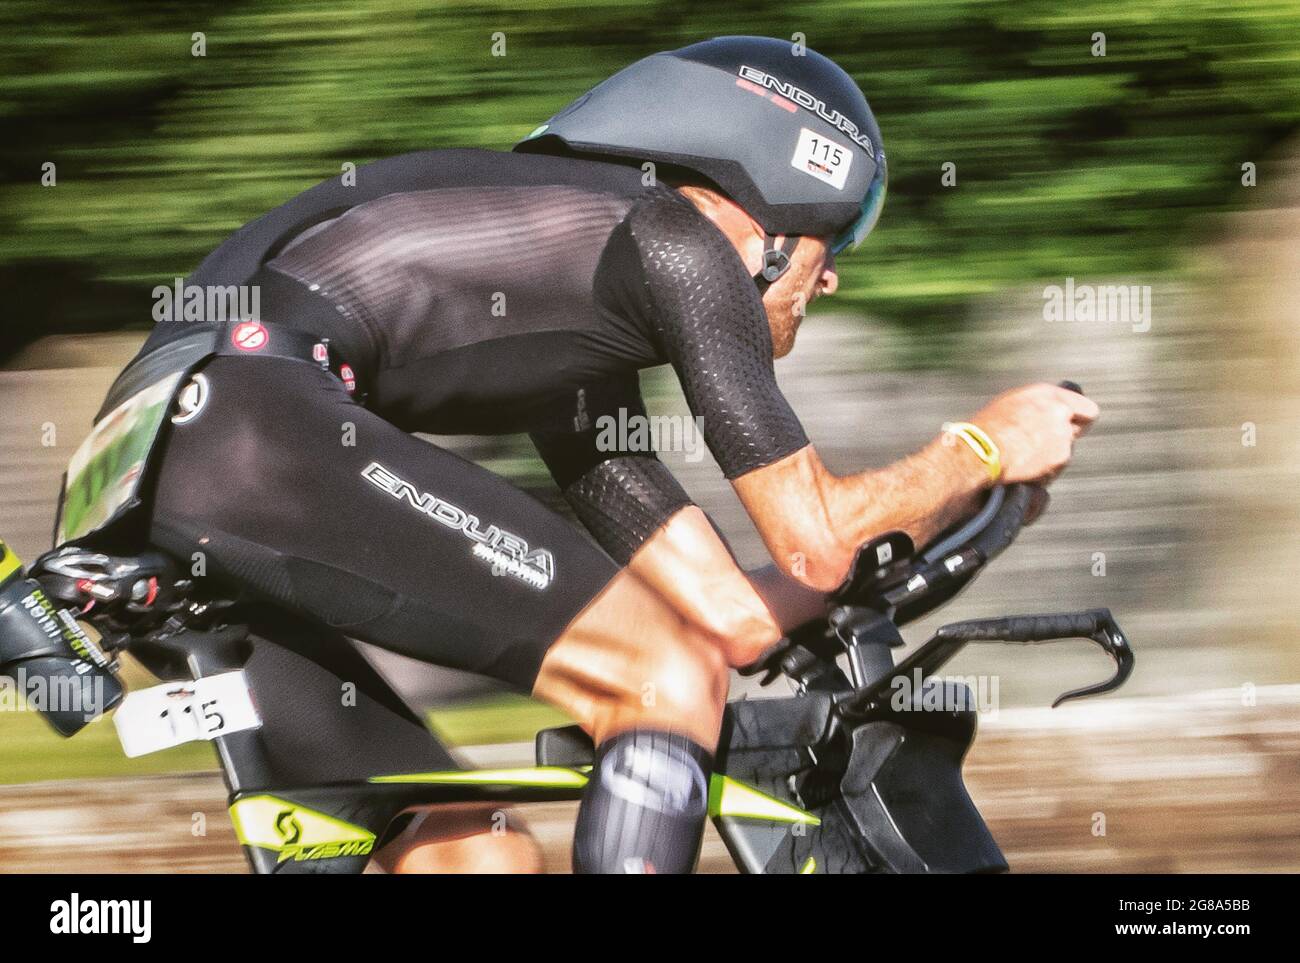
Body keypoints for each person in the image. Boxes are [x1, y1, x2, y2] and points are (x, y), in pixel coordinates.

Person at [85, 36, 1097, 873]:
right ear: (782, 197)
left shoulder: (568, 354)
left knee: (474, 859)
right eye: (843, 236)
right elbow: (814, 546)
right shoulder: (683, 243)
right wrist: (982, 443)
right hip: (254, 425)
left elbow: (736, 621)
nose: (829, 281)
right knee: (652, 681)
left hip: (144, 475)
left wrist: (965, 510)